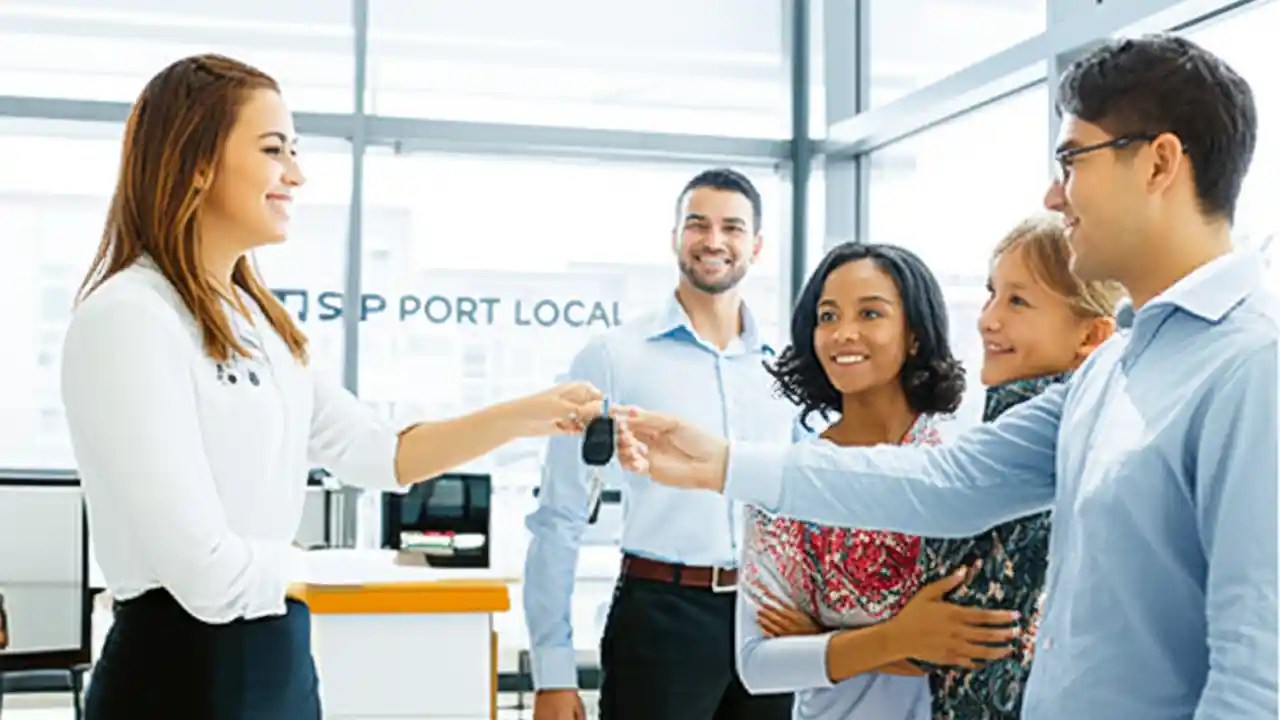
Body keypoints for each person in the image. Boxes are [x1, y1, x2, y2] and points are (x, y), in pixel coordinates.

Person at [614, 34, 1277, 719]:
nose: (1055, 195)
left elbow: (1257, 681)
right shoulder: (1114, 365)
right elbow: (945, 482)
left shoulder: (1252, 371)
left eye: (1072, 161)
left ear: (1159, 163)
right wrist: (723, 464)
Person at [60, 54, 601, 720]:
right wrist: (316, 566)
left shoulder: (258, 321)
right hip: (178, 673)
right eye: (273, 149)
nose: (296, 173)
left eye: (295, 150)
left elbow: (378, 454)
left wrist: (525, 416)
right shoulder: (128, 317)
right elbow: (205, 574)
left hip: (277, 655)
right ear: (196, 164)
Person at [764, 217, 1124, 719]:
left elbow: (961, 635)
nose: (987, 319)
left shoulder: (1009, 447)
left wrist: (829, 642)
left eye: (1017, 301)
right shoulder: (1031, 426)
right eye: (990, 294)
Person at [523, 168, 796, 720]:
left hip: (772, 620)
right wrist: (552, 673)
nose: (713, 241)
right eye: (697, 224)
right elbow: (559, 517)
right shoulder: (614, 356)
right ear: (674, 237)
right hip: (661, 617)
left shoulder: (786, 367)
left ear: (757, 246)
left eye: (732, 228)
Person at [735, 242, 1021, 719]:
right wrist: (898, 639)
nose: (844, 334)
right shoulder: (787, 484)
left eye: (870, 313)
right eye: (828, 317)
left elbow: (989, 638)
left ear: (914, 334)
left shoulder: (968, 459)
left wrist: (825, 644)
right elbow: (758, 665)